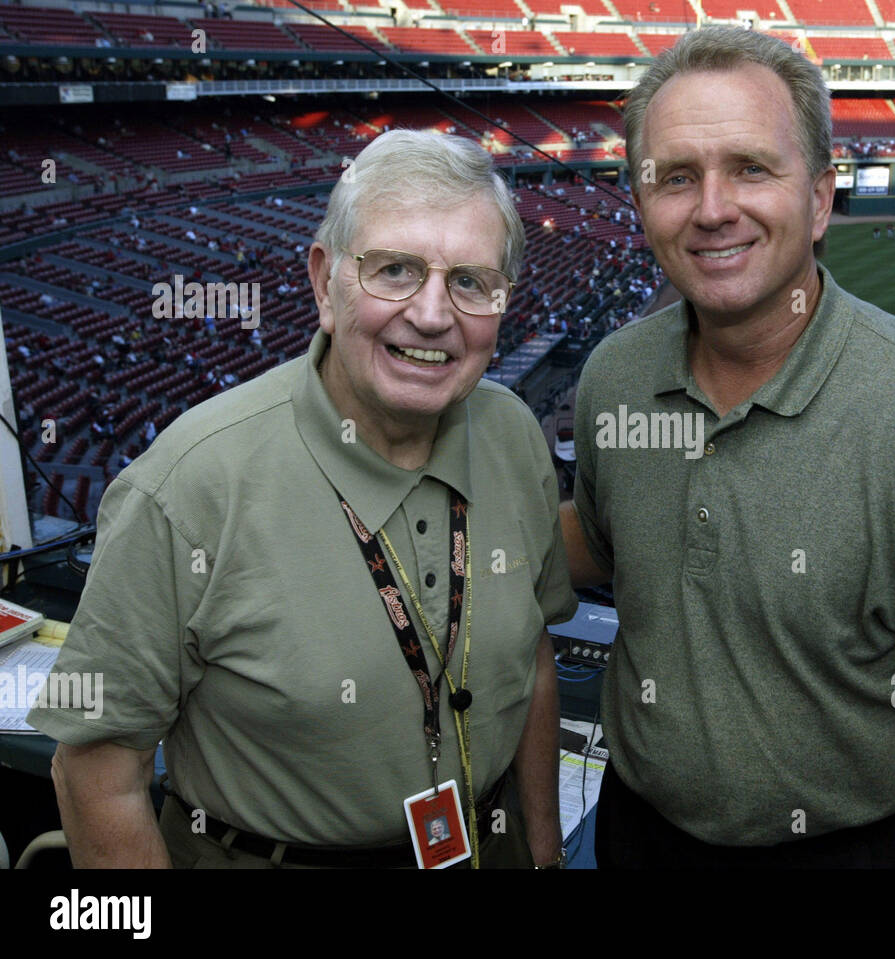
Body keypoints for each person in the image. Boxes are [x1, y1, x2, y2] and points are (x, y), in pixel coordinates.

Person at [562, 27, 895, 869]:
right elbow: (601, 533)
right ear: (640, 201)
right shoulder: (614, 377)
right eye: (676, 177)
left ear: (818, 198)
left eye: (752, 168)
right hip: (635, 831)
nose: (711, 208)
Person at [28, 130, 575, 870]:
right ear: (325, 283)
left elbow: (533, 659)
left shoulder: (513, 433)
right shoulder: (188, 486)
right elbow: (94, 769)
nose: (434, 314)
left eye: (471, 281)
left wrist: (542, 854)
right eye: (395, 270)